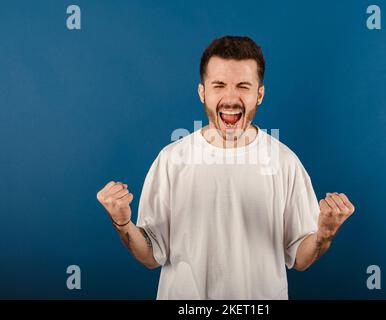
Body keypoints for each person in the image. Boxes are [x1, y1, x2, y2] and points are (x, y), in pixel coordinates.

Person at [96, 35, 355, 299]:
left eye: (243, 86)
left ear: (259, 94)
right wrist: (122, 222)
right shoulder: (172, 160)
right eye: (219, 85)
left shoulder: (284, 162)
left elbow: (300, 257)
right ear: (202, 92)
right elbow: (151, 255)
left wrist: (325, 233)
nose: (231, 98)